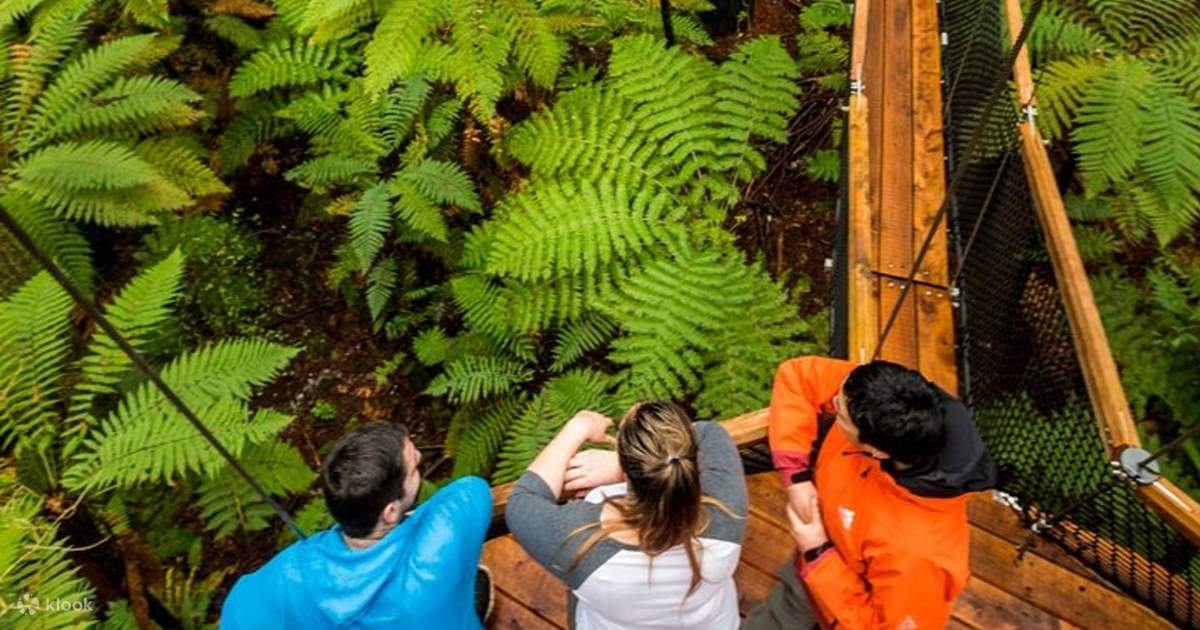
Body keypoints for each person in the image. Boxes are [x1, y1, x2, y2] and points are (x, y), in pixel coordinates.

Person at [745, 357, 997, 629]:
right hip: (808, 576)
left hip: (844, 600)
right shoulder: (876, 399)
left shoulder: (920, 555)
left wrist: (818, 551)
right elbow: (798, 377)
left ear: (876, 452)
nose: (833, 402)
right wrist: (796, 477)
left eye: (838, 413)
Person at [220, 421, 494, 629]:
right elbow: (472, 490)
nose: (420, 458)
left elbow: (238, 607)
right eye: (414, 468)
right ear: (389, 511)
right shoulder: (435, 558)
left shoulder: (294, 569)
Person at [506, 402, 748, 629]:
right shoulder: (725, 515)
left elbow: (523, 499)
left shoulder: (581, 546)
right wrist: (634, 465)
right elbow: (707, 432)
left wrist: (579, 425)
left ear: (625, 466)